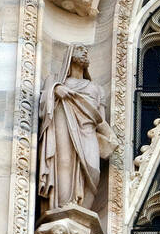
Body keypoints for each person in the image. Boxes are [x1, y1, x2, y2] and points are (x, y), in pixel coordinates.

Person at [38, 44, 116, 213]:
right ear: (70, 56)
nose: (85, 52)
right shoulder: (55, 82)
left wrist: (110, 135)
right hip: (63, 122)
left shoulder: (96, 89)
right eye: (80, 49)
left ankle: (82, 210)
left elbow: (99, 118)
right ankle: (64, 207)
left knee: (93, 169)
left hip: (88, 130)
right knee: (64, 162)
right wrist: (56, 90)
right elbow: (43, 104)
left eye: (85, 50)